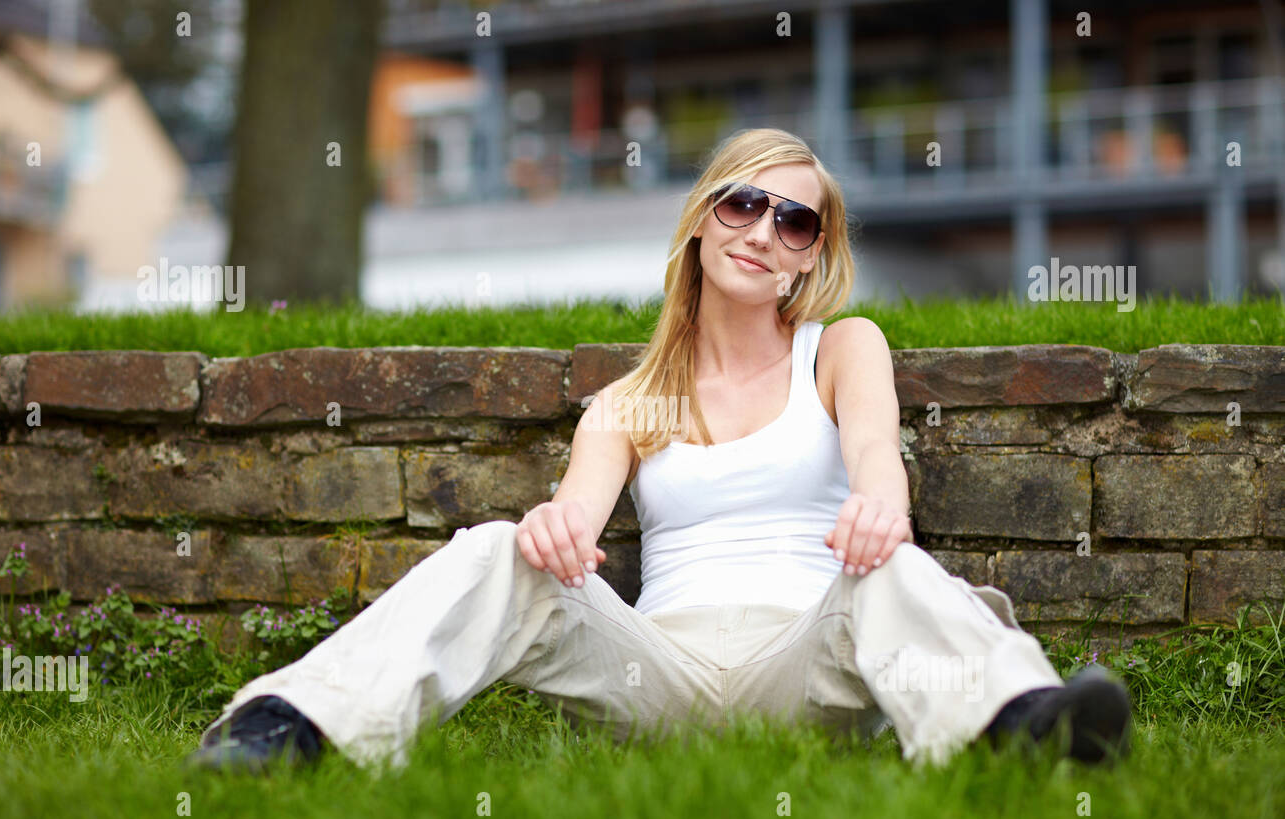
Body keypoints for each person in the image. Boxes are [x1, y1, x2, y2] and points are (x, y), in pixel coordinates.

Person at [187, 128, 1131, 775]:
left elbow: (878, 456)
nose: (763, 232)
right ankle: (286, 727)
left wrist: (882, 503)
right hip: (660, 678)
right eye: (744, 205)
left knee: (895, 567)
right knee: (495, 547)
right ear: (702, 218)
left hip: (805, 661)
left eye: (793, 221)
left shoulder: (844, 349)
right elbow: (575, 519)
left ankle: (1023, 726)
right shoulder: (631, 402)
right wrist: (554, 530)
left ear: (811, 254)